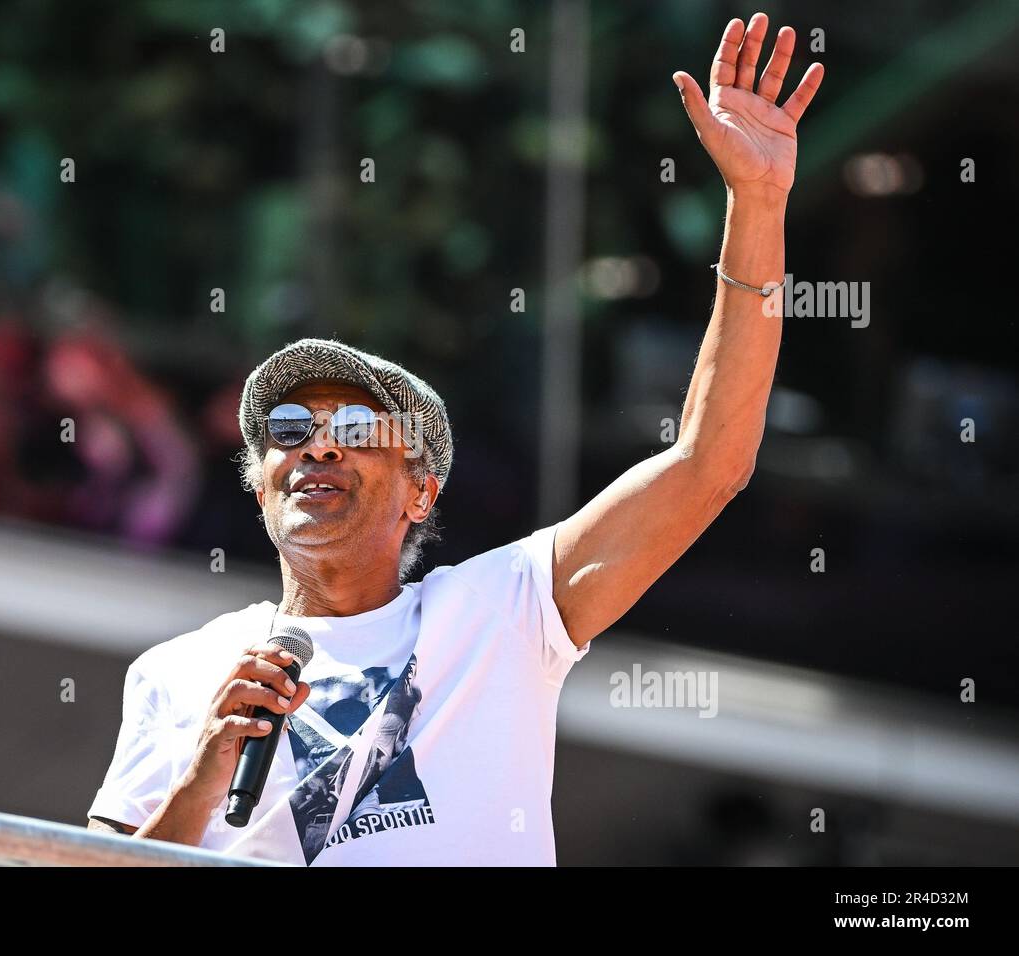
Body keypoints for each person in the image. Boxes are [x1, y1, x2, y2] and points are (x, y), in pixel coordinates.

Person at [86, 13, 823, 865]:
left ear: (421, 490)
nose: (318, 447)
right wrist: (204, 777)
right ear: (259, 484)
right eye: (290, 430)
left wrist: (757, 202)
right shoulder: (180, 673)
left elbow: (708, 462)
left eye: (358, 428)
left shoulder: (501, 613)